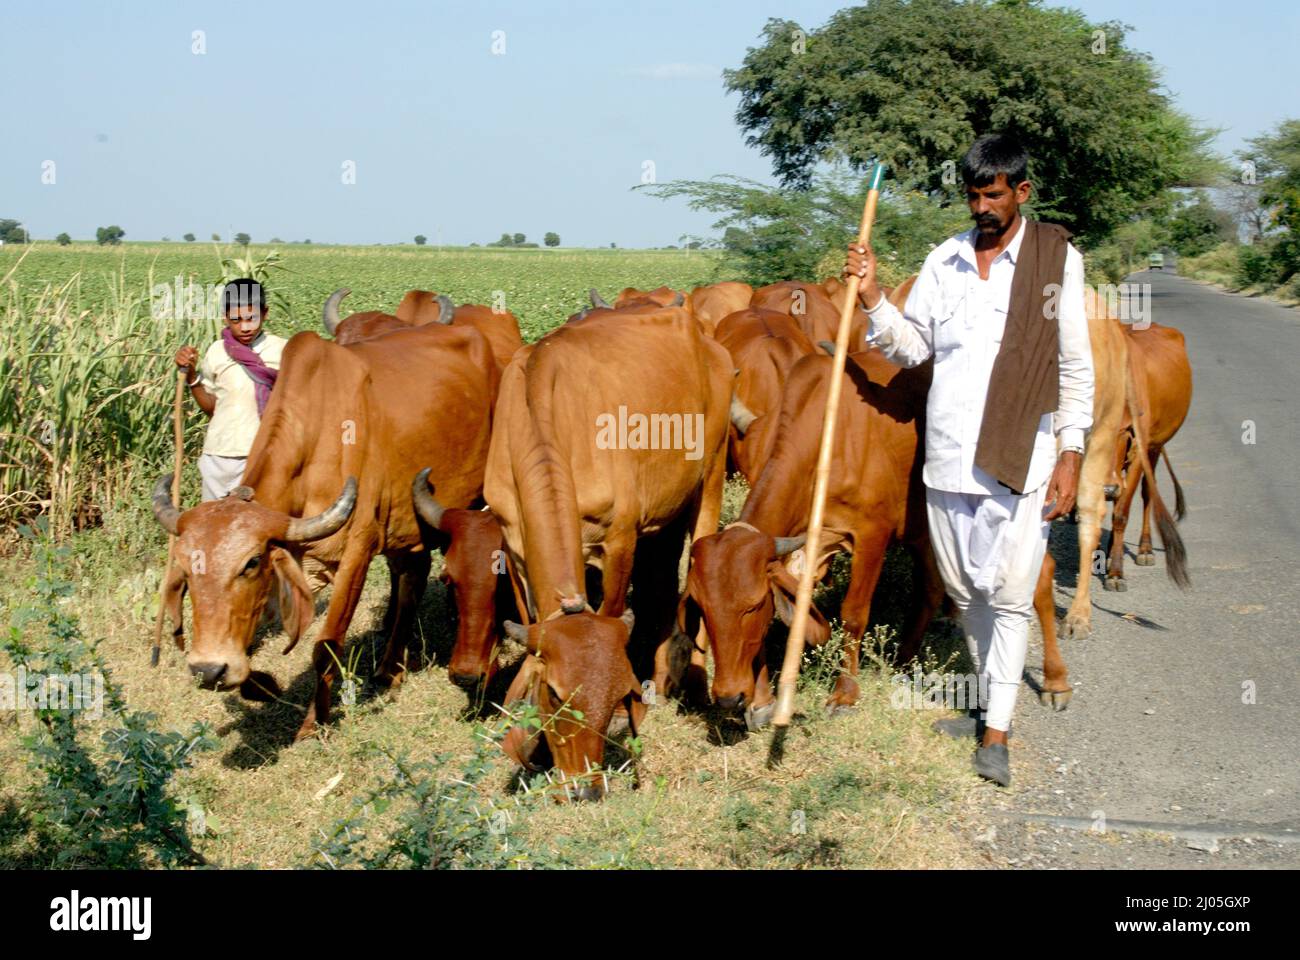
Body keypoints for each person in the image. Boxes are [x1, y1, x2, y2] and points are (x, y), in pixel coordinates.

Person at [844, 133, 1094, 787]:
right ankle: (989, 698)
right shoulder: (945, 260)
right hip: (949, 460)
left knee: (1010, 595)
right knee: (965, 590)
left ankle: (997, 735)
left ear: (1021, 192)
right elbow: (911, 346)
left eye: (993, 194)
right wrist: (873, 298)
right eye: (973, 195)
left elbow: (1075, 365)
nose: (981, 207)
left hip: (1022, 455)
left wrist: (1070, 452)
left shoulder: (1055, 262)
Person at [174, 278, 286, 501]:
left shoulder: (283, 350)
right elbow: (212, 408)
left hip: (264, 455)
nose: (245, 327)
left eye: (251, 318)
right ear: (225, 317)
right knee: (215, 524)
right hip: (219, 455)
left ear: (265, 313)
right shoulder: (217, 351)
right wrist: (191, 375)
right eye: (236, 320)